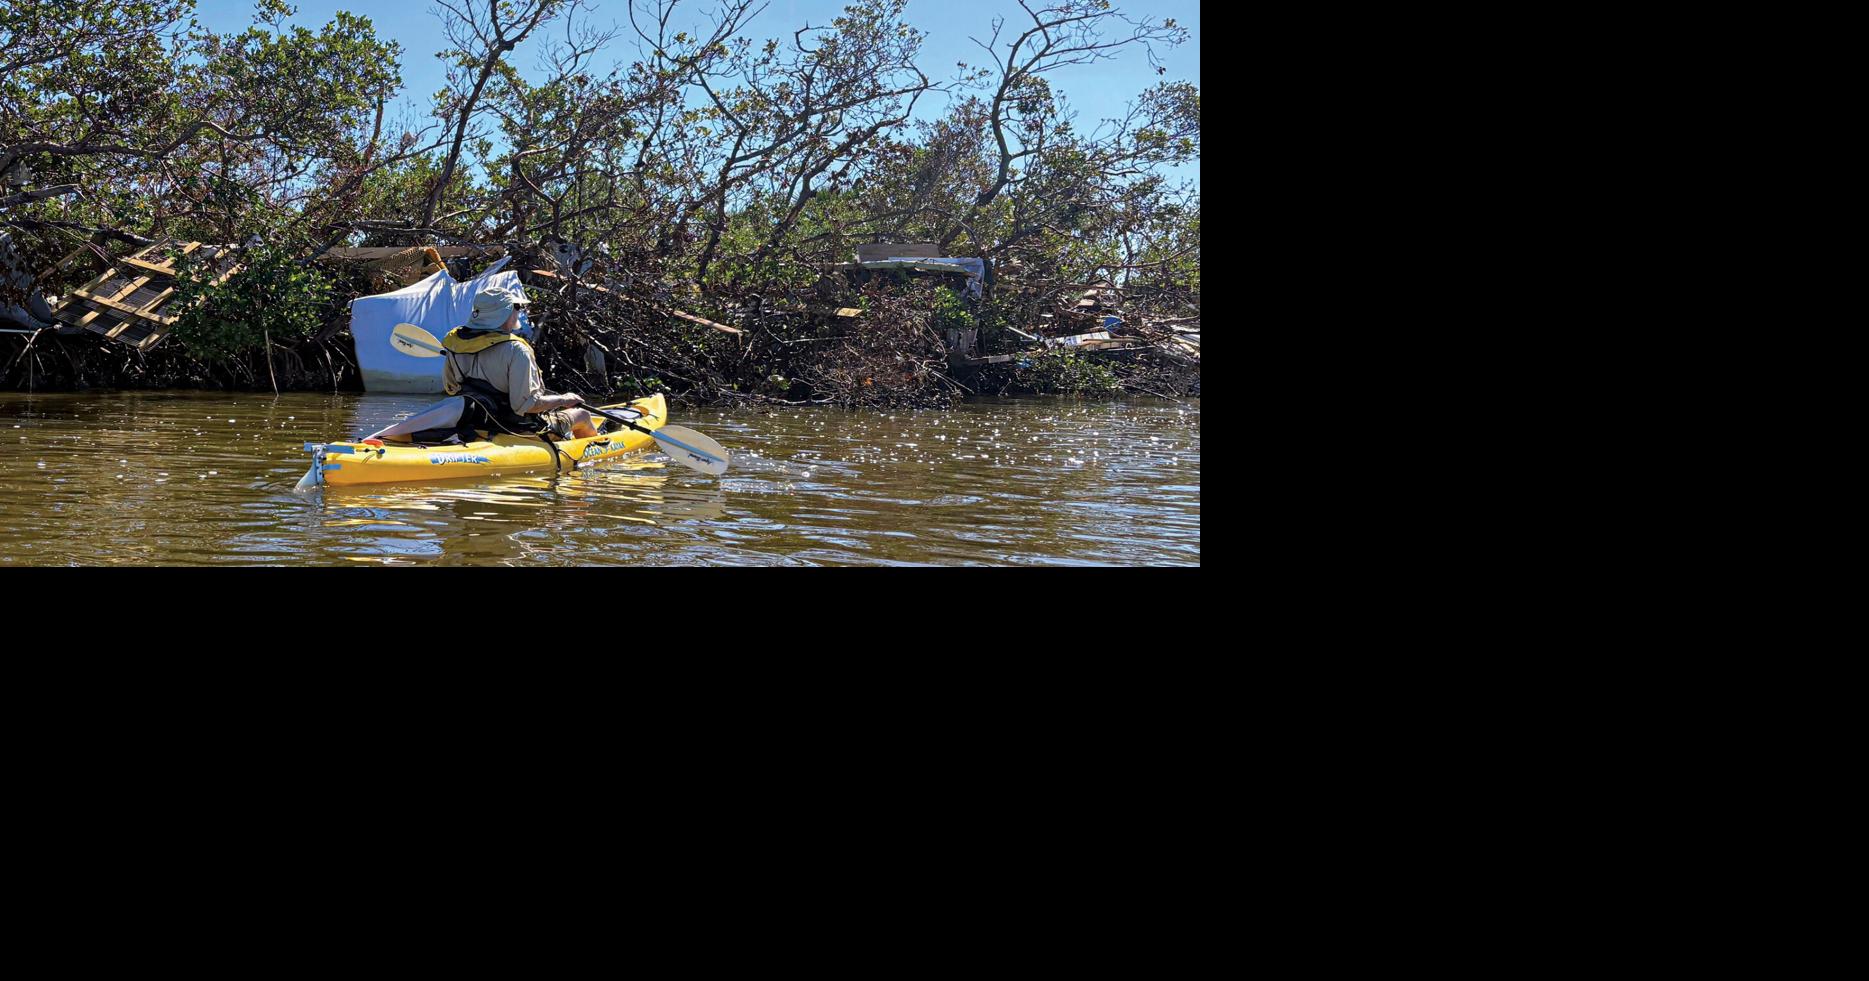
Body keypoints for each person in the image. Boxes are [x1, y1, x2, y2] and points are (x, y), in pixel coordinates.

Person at [441, 286, 600, 440]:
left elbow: (451, 389)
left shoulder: (455, 345)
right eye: (516, 306)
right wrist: (564, 399)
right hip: (519, 429)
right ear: (504, 313)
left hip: (476, 424)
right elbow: (526, 405)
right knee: (583, 415)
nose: (518, 311)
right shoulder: (516, 350)